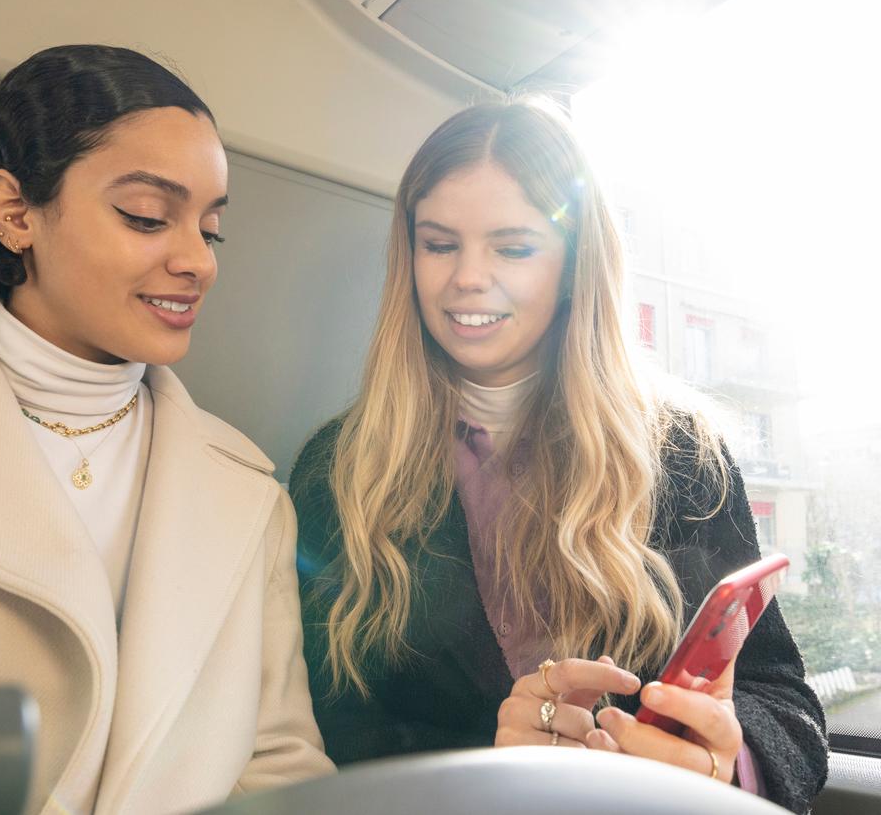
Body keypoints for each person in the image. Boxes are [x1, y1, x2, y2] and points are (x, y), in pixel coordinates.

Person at [0, 44, 332, 814]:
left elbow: (281, 768)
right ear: (14, 211)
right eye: (148, 216)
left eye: (209, 230)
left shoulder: (252, 493)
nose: (197, 262)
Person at [291, 99, 827, 813]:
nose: (467, 278)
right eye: (439, 243)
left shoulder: (682, 455)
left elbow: (783, 702)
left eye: (512, 247)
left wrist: (726, 757)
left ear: (576, 266)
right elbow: (332, 733)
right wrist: (491, 763)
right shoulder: (338, 470)